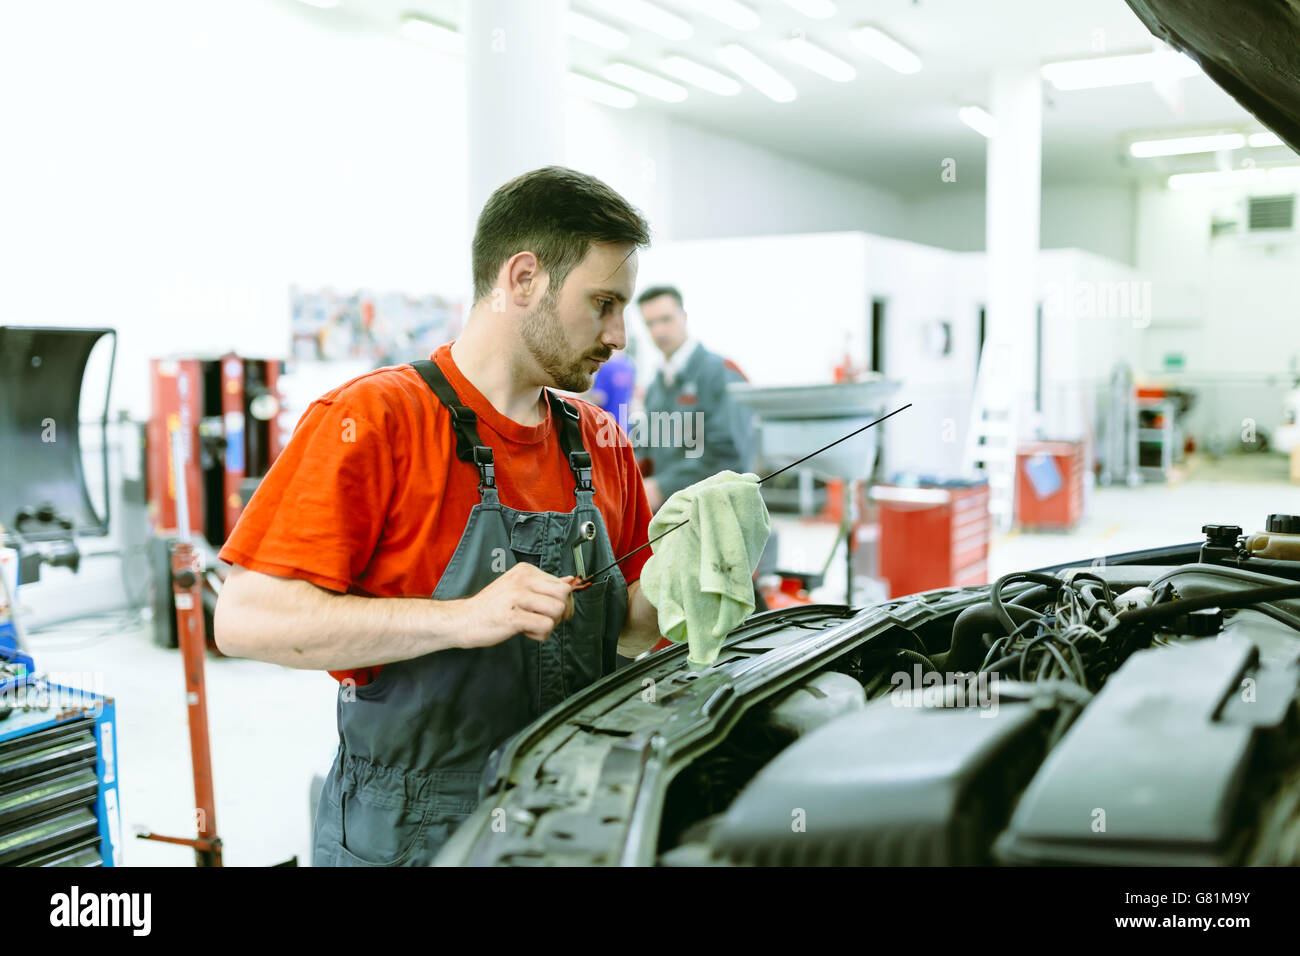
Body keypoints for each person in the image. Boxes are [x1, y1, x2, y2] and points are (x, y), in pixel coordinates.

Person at [213, 166, 663, 866]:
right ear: (523, 279)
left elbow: (633, 632)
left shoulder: (600, 439)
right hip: (412, 831)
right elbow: (246, 619)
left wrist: (696, 579)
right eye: (603, 302)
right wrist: (459, 618)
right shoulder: (374, 420)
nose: (619, 335)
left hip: (573, 820)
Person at [635, 285, 755, 512]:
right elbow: (650, 449)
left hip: (718, 516)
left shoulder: (720, 375)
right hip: (675, 518)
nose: (658, 331)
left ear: (684, 316)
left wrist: (661, 487)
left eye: (665, 319)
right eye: (650, 324)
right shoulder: (656, 386)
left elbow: (729, 457)